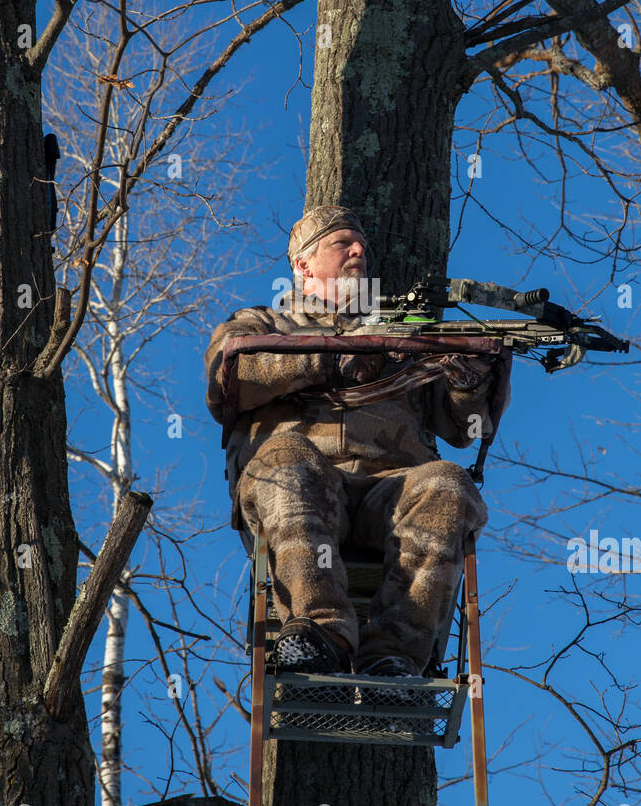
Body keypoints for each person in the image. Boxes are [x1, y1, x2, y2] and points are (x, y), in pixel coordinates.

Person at [204, 205, 506, 682]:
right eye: (341, 243)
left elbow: (464, 430)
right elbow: (229, 379)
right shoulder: (260, 325)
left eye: (361, 243)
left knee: (448, 484)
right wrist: (331, 361)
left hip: (390, 493)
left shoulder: (404, 335)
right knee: (285, 459)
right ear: (302, 266)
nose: (359, 250)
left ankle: (395, 658)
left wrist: (468, 381)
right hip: (300, 487)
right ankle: (319, 633)